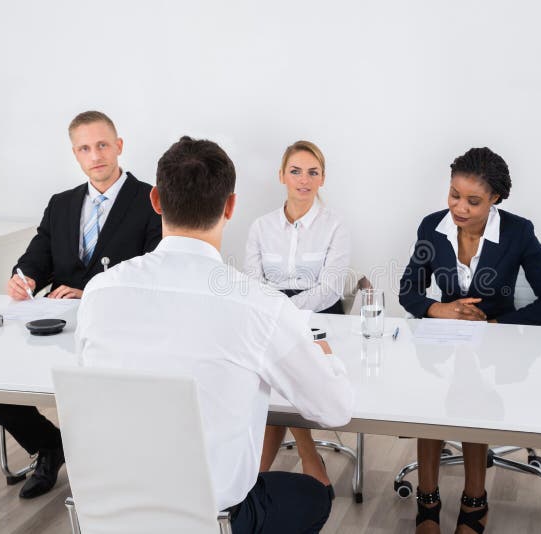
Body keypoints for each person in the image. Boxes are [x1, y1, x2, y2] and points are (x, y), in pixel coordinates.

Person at [76, 136, 353, 533]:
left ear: (155, 201)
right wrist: (322, 354)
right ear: (230, 206)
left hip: (114, 513)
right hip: (212, 519)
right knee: (313, 494)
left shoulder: (101, 292)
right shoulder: (259, 306)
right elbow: (335, 410)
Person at [0, 110, 161, 499]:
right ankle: (48, 443)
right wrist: (24, 277)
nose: (95, 155)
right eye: (85, 148)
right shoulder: (62, 204)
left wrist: (91, 292)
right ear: (75, 154)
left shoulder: (151, 199)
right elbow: (37, 256)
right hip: (55, 326)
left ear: (119, 146)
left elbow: (154, 270)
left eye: (102, 145)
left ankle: (110, 467)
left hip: (118, 328)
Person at [399, 147, 541, 533]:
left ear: (495, 200)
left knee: (472, 397)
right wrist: (439, 309)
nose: (459, 207)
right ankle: (428, 502)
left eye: (473, 201)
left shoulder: (517, 232)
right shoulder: (432, 228)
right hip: (442, 340)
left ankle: (475, 500)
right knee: (429, 400)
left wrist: (494, 322)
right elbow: (409, 288)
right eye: (454, 195)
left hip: (496, 346)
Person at [245, 140, 350, 493]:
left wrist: (284, 315)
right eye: (295, 171)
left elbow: (331, 289)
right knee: (277, 371)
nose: (303, 180)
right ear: (281, 176)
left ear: (322, 179)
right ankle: (308, 457)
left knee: (280, 372)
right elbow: (253, 284)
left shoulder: (335, 226)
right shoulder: (260, 227)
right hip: (269, 316)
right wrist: (276, 315)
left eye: (312, 172)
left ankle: (255, 474)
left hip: (319, 318)